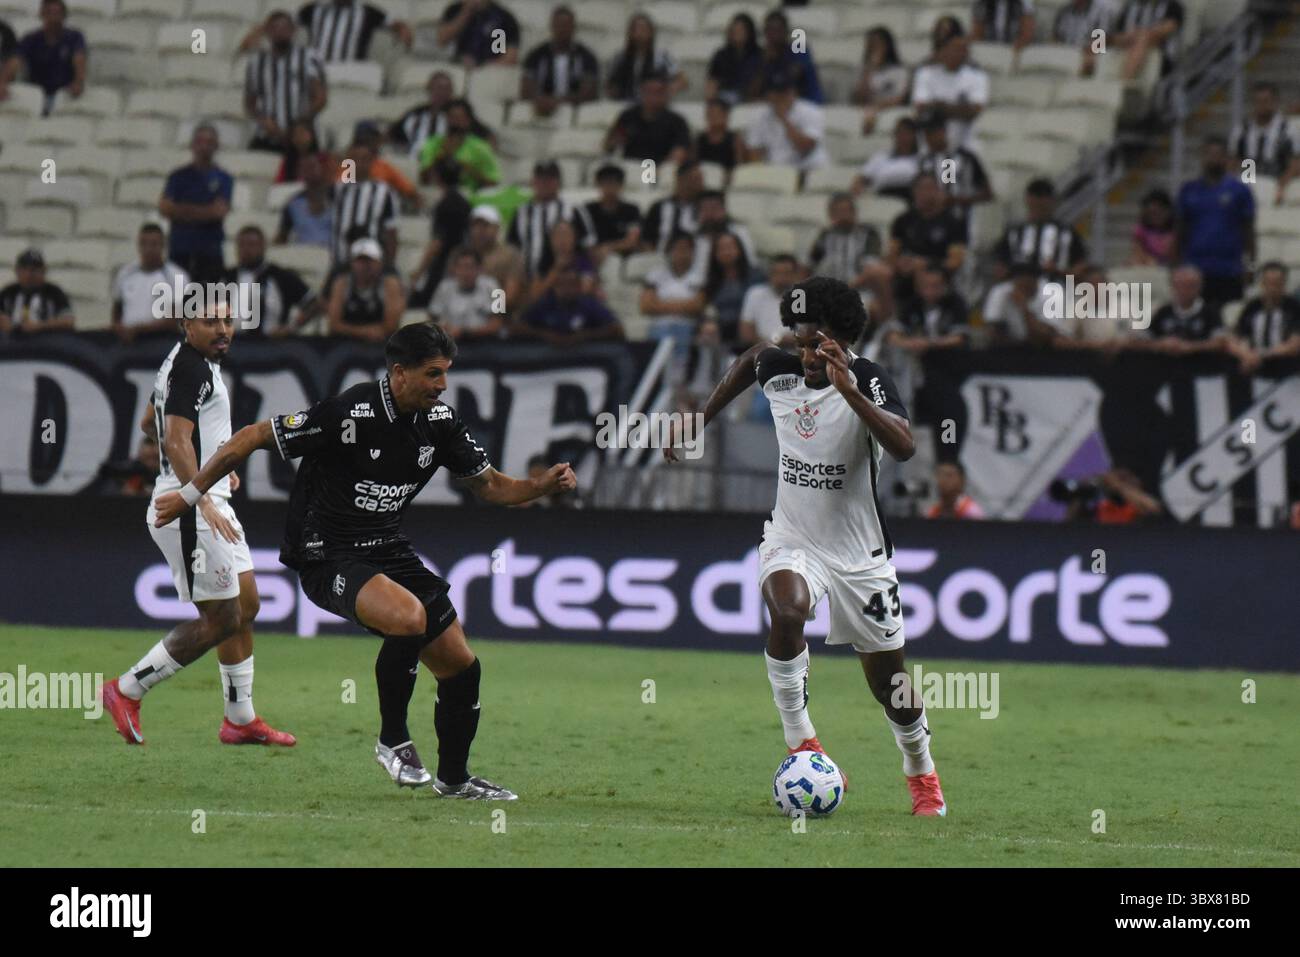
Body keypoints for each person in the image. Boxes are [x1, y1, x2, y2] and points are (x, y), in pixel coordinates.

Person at [152, 323, 578, 796]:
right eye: (432, 374)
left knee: (462, 666)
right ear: (399, 373)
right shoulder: (349, 413)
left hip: (386, 548)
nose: (442, 385)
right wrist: (193, 494)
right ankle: (392, 741)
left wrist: (540, 486)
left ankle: (455, 781)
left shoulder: (440, 424)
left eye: (446, 374)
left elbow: (492, 485)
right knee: (408, 618)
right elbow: (251, 436)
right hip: (326, 553)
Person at [665, 275, 947, 817]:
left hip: (860, 558)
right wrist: (699, 419)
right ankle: (803, 741)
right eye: (800, 340)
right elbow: (752, 357)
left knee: (892, 687)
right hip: (793, 537)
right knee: (788, 609)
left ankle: (921, 773)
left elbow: (906, 446)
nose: (805, 352)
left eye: (817, 344)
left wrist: (849, 391)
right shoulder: (781, 369)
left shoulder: (869, 379)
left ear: (842, 342)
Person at [100, 301, 296, 749]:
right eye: (211, 322)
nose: (223, 329)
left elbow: (151, 422)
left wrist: (210, 459)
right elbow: (172, 437)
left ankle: (240, 719)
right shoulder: (192, 368)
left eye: (228, 321)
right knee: (223, 616)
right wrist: (199, 494)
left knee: (245, 606)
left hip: (205, 498)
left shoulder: (181, 361)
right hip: (190, 510)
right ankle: (127, 688)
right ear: (186, 324)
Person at [1175, 136, 1255, 307]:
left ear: (1226, 158)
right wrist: (1175, 265)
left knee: (1228, 318)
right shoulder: (1188, 190)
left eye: (1218, 154)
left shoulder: (1240, 191)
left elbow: (1248, 230)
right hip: (1195, 269)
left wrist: (1250, 265)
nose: (1213, 158)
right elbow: (1180, 230)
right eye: (1209, 154)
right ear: (1201, 157)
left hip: (1229, 269)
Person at [244, 10, 327, 154]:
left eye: (284, 28)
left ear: (293, 30)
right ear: (267, 32)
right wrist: (263, 121)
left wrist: (302, 121)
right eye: (275, 28)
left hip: (302, 134)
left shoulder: (309, 57)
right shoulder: (256, 63)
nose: (280, 32)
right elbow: (249, 103)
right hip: (267, 135)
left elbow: (320, 97)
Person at [158, 125, 233, 285]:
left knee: (210, 307)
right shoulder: (177, 176)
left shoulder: (224, 178)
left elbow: (218, 212)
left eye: (209, 142)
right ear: (192, 145)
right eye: (200, 141)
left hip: (210, 253)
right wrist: (205, 212)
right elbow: (165, 208)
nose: (204, 146)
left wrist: (181, 211)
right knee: (177, 305)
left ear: (216, 146)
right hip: (179, 251)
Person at [220, 225, 322, 337]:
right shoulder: (226, 277)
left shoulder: (281, 276)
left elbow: (314, 304)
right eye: (241, 245)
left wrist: (290, 328)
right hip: (233, 345)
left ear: (263, 246)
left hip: (271, 346)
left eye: (251, 245)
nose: (246, 249)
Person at [507, 160, 595, 277]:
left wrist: (587, 273)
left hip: (564, 279)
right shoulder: (521, 212)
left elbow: (588, 246)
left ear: (558, 182)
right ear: (533, 181)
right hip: (527, 279)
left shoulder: (574, 210)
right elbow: (512, 246)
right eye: (540, 178)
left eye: (549, 179)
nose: (544, 183)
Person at [887, 173, 968, 301]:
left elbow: (955, 261)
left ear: (938, 191)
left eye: (930, 188)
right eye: (921, 188)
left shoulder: (953, 222)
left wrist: (926, 263)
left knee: (924, 274)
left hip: (938, 272)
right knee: (878, 272)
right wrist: (900, 263)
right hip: (904, 272)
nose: (925, 193)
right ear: (914, 192)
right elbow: (892, 254)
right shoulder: (902, 220)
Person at [993, 178, 1087, 283]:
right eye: (1036, 197)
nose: (1039, 202)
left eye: (1043, 197)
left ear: (1052, 201)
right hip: (1017, 288)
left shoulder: (1066, 232)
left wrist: (1059, 271)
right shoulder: (1014, 232)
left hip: (1053, 287)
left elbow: (1080, 266)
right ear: (1028, 199)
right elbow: (999, 264)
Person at [810, 193, 889, 313]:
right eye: (838, 211)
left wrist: (846, 288)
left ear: (854, 213)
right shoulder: (825, 236)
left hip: (860, 290)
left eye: (846, 210)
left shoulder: (868, 234)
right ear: (831, 215)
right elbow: (811, 264)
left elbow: (871, 269)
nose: (843, 215)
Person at [409, 158, 472, 309]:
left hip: (443, 264)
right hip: (457, 259)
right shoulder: (464, 202)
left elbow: (438, 241)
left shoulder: (445, 205)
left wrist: (419, 271)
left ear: (437, 177)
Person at [1, 0, 85, 113]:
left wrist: (78, 81)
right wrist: (2, 82)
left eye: (57, 13)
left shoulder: (74, 37)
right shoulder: (31, 39)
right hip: (36, 93)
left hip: (64, 93)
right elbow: (15, 61)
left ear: (64, 16)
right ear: (42, 15)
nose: (53, 18)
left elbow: (79, 58)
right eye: (49, 13)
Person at [112, 224, 189, 343]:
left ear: (163, 246)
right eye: (143, 244)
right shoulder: (125, 274)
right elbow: (117, 310)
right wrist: (118, 328)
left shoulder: (176, 276)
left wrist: (138, 330)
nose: (148, 249)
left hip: (161, 343)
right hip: (129, 343)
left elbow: (175, 319)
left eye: (153, 244)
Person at [910, 33, 988, 151]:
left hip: (962, 145)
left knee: (949, 168)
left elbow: (975, 110)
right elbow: (921, 107)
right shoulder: (925, 74)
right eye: (956, 49)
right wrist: (957, 109)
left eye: (964, 50)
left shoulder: (977, 76)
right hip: (930, 145)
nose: (960, 53)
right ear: (944, 50)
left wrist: (938, 107)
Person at [916, 109, 993, 225]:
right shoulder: (925, 161)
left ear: (942, 131)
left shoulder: (965, 158)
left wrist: (956, 200)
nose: (927, 138)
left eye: (931, 133)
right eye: (925, 134)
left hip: (961, 220)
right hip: (931, 223)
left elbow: (987, 194)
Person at [743, 72, 828, 175]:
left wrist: (784, 119)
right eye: (775, 93)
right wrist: (760, 174)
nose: (780, 97)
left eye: (784, 93)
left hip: (808, 169)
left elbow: (805, 146)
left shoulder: (811, 111)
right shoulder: (759, 115)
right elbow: (754, 151)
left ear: (794, 92)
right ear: (768, 95)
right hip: (775, 172)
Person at [330, 140, 399, 267]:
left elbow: (391, 233)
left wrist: (389, 265)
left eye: (364, 159)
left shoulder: (384, 191)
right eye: (354, 159)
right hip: (340, 262)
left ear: (373, 161)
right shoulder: (337, 189)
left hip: (371, 264)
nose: (359, 163)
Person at [640, 232, 705, 364]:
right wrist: (683, 305)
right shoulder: (656, 275)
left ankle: (679, 374)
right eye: (678, 248)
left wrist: (661, 304)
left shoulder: (699, 277)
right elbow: (646, 306)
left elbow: (697, 306)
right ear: (669, 251)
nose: (682, 253)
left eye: (686, 249)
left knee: (682, 333)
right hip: (660, 326)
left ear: (693, 252)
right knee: (662, 334)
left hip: (686, 326)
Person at [520, 5, 598, 116]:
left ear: (573, 28)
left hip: (574, 115)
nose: (562, 30)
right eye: (558, 25)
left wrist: (557, 102)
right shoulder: (535, 56)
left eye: (566, 26)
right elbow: (525, 91)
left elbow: (589, 94)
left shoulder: (587, 57)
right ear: (551, 26)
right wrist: (541, 101)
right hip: (540, 111)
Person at [1230, 81, 1300, 205]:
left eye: (1266, 101)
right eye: (1258, 102)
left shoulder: (1288, 129)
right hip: (1251, 178)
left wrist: (1281, 186)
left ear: (1275, 102)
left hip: (1278, 180)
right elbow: (1235, 161)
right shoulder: (1243, 130)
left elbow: (1295, 163)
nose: (1262, 105)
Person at [604, 72, 691, 167]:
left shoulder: (677, 122)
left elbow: (679, 153)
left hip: (660, 171)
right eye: (648, 92)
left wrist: (661, 170)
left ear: (666, 94)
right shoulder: (628, 116)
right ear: (641, 92)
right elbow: (608, 145)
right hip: (631, 168)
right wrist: (615, 141)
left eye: (658, 92)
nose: (653, 97)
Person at [1227, 261, 1300, 374]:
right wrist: (1245, 354)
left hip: (1282, 360)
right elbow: (1235, 337)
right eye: (1268, 283)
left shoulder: (1294, 307)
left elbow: (1294, 345)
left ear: (1284, 283)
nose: (1272, 288)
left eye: (1277, 284)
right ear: (1262, 284)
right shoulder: (1252, 306)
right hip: (1252, 359)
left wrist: (1261, 355)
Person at [516, 268, 623, 345]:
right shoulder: (545, 304)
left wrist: (585, 336)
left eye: (571, 284)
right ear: (554, 287)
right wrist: (544, 335)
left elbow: (616, 329)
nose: (566, 289)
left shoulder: (589, 304)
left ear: (579, 287)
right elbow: (517, 327)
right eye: (561, 285)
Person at [325, 238, 404, 340]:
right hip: (346, 344)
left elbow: (391, 325)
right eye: (360, 261)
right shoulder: (342, 284)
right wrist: (365, 332)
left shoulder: (389, 284)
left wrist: (349, 329)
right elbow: (333, 324)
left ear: (379, 263)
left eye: (370, 261)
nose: (365, 266)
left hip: (380, 345)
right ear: (352, 263)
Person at [1139, 264, 1226, 354]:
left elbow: (1220, 342)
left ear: (1199, 287)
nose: (1183, 290)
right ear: (1172, 287)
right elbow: (1143, 339)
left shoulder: (1210, 312)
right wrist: (1160, 344)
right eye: (1179, 285)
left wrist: (1190, 347)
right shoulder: (1164, 311)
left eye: (1190, 286)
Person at [417, 99, 500, 191]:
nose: (455, 122)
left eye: (459, 118)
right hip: (438, 193)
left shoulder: (480, 147)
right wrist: (441, 156)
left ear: (468, 121)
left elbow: (493, 183)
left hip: (468, 195)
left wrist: (468, 169)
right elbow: (423, 179)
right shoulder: (432, 144)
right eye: (451, 117)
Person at [605, 12, 683, 101]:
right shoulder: (620, 57)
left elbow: (681, 80)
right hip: (624, 104)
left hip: (653, 105)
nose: (638, 33)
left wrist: (669, 90)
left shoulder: (661, 56)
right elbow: (609, 83)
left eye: (642, 29)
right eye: (634, 30)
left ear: (651, 33)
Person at [429, 249, 503, 340]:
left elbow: (498, 325)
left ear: (480, 269)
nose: (466, 272)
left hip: (486, 342)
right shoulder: (443, 287)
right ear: (454, 269)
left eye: (470, 267)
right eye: (461, 267)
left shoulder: (495, 287)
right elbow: (432, 320)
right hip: (452, 342)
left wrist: (464, 332)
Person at [753, 9, 823, 104]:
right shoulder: (761, 55)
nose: (774, 34)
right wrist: (764, 63)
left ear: (786, 31)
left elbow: (794, 80)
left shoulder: (798, 49)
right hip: (772, 104)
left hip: (804, 103)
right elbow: (753, 92)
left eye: (778, 30)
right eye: (770, 30)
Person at [0, 249, 75, 338]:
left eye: (34, 270)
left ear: (43, 271)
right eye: (24, 269)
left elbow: (68, 321)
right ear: (17, 271)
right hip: (12, 345)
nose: (29, 275)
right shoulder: (8, 292)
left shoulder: (54, 292)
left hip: (45, 344)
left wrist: (40, 326)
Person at [466, 205, 525, 315]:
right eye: (475, 225)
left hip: (496, 317)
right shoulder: (461, 254)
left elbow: (510, 295)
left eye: (485, 225)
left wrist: (487, 313)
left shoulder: (510, 255)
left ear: (497, 228)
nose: (480, 230)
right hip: (460, 315)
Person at [703, 231, 761, 342]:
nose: (726, 252)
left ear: (739, 250)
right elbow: (709, 309)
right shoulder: (712, 281)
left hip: (747, 327)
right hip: (720, 330)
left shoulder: (755, 277)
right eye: (721, 249)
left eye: (730, 247)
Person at [851, 116, 921, 202]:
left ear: (914, 136)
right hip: (882, 199)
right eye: (899, 132)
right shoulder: (880, 158)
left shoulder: (922, 159)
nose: (903, 137)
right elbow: (861, 179)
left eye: (907, 133)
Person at [983, 262, 1055, 344]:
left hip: (1041, 349)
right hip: (1008, 348)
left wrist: (1024, 308)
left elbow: (1046, 336)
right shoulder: (1001, 291)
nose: (1023, 281)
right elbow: (992, 330)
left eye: (1029, 277)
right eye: (1019, 277)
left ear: (1036, 280)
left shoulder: (1049, 294)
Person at [853, 26, 909, 132]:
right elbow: (859, 99)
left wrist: (877, 107)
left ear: (887, 46)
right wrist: (870, 69)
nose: (875, 48)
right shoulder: (863, 70)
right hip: (867, 109)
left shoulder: (899, 70)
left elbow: (900, 99)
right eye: (871, 44)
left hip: (888, 109)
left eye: (878, 44)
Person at [584, 164, 642, 262]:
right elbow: (583, 240)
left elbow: (632, 241)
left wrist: (609, 247)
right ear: (598, 184)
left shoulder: (631, 210)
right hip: (593, 255)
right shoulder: (588, 210)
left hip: (623, 256)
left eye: (614, 183)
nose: (610, 188)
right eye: (606, 183)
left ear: (621, 185)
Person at [1112, 0, 1184, 80]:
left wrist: (1139, 34)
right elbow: (1117, 35)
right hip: (1128, 45)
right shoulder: (1132, 5)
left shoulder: (1173, 6)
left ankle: (1123, 81)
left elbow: (1168, 27)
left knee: (1143, 39)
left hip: (1161, 55)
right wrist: (1127, 37)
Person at [529, 219, 598, 301]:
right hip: (548, 309)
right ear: (550, 240)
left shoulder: (583, 260)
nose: (562, 240)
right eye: (558, 235)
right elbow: (535, 295)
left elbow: (586, 289)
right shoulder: (544, 262)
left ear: (574, 238)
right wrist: (556, 269)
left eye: (567, 234)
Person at [275, 152, 335, 246]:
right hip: (303, 255)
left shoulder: (337, 198)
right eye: (304, 168)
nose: (308, 171)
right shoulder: (293, 204)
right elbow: (282, 235)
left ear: (322, 168)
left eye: (312, 166)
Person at [739, 255, 798, 346]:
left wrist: (777, 340)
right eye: (776, 273)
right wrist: (778, 340)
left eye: (786, 273)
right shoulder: (755, 294)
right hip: (760, 352)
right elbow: (746, 334)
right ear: (769, 274)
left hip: (794, 353)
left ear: (795, 275)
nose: (780, 278)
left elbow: (806, 335)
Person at [437, 0, 520, 66]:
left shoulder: (504, 18)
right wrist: (466, 12)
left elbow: (511, 58)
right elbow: (442, 40)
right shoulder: (454, 10)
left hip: (491, 71)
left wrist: (481, 65)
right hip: (459, 67)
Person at [706, 12, 763, 105]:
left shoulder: (760, 55)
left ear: (749, 32)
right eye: (733, 30)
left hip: (752, 99)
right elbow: (712, 81)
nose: (736, 33)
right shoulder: (721, 55)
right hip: (724, 100)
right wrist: (711, 100)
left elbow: (761, 81)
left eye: (740, 30)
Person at [1054, 0, 1116, 76]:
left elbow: (1103, 40)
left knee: (1088, 62)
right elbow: (1056, 38)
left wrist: (1086, 53)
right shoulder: (1064, 11)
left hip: (1089, 55)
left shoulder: (1103, 10)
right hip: (1066, 54)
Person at [1128, 188, 1175, 266]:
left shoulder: (1176, 230)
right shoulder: (1141, 230)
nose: (1154, 217)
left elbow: (1177, 255)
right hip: (1150, 268)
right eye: (1150, 214)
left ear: (1168, 211)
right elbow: (1138, 254)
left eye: (1158, 213)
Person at [971, 0, 1036, 50]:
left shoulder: (1023, 3)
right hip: (989, 48)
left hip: (1013, 50)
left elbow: (1027, 33)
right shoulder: (981, 3)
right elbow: (977, 34)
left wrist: (1020, 43)